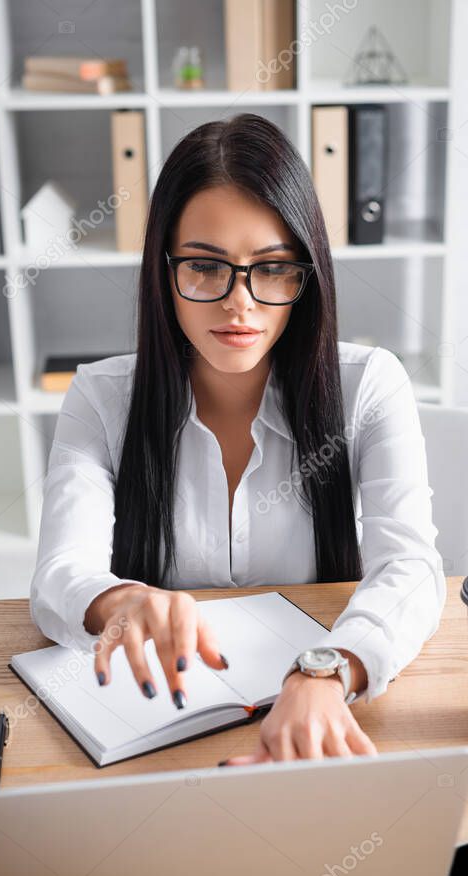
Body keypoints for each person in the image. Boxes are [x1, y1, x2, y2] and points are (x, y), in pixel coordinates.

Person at [29, 113, 446, 765]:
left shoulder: (368, 384)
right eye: (204, 267)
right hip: (158, 728)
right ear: (162, 270)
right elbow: (60, 574)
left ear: (305, 276)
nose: (239, 305)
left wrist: (325, 670)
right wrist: (120, 599)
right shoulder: (101, 398)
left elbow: (412, 567)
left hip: (313, 720)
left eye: (273, 270)